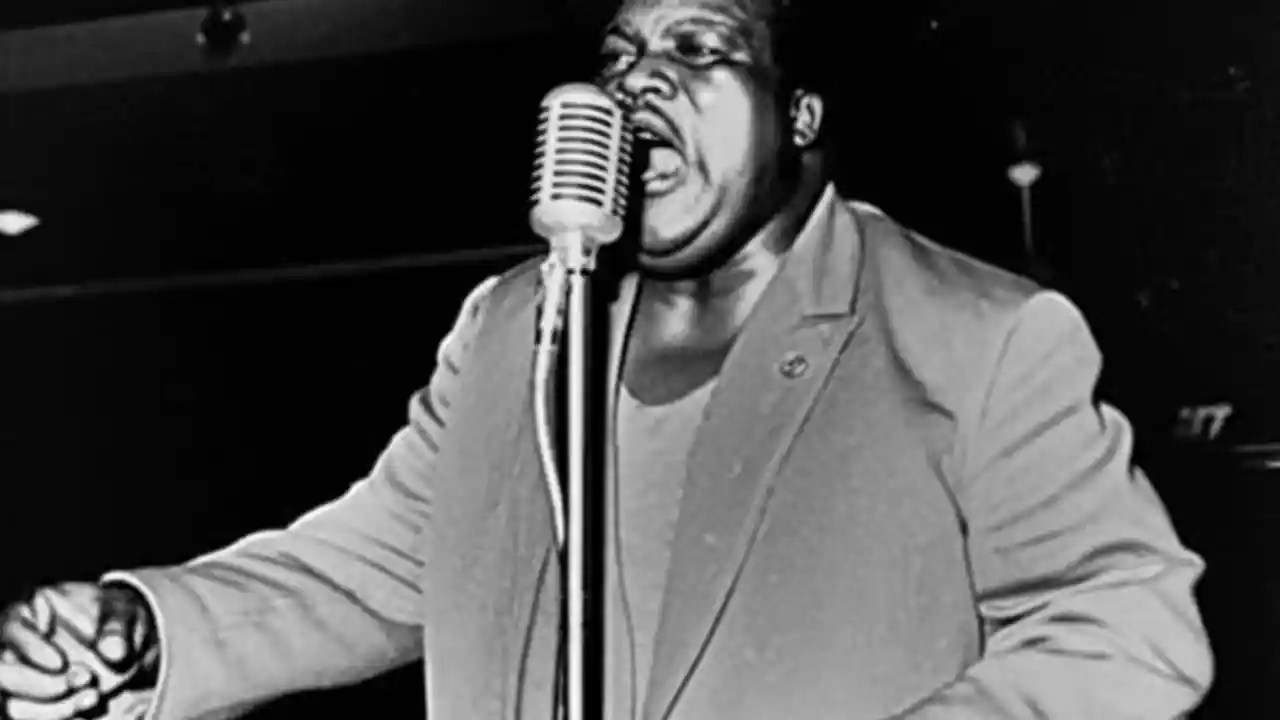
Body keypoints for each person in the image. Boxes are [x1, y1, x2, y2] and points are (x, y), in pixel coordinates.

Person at [0, 0, 1214, 718]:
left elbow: (1125, 628)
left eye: (698, 48)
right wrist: (151, 631)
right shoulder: (513, 327)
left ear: (798, 117)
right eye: (621, 55)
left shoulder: (978, 335)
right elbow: (374, 566)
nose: (639, 81)